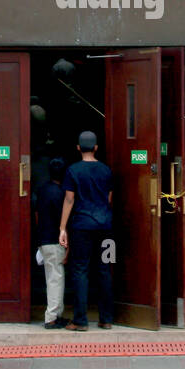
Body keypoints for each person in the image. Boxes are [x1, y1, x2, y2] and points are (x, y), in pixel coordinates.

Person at [59, 131, 114, 331]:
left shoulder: (73, 170)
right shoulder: (106, 170)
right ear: (96, 148)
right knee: (106, 269)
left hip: (81, 227)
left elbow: (69, 199)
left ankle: (80, 321)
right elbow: (109, 199)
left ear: (78, 148)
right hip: (106, 227)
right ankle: (106, 319)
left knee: (80, 270)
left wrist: (62, 227)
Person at [36, 157, 69, 329]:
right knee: (55, 279)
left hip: (43, 238)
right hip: (55, 240)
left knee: (54, 277)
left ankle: (57, 315)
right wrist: (67, 244)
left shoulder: (42, 190)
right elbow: (62, 220)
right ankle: (51, 317)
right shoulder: (61, 193)